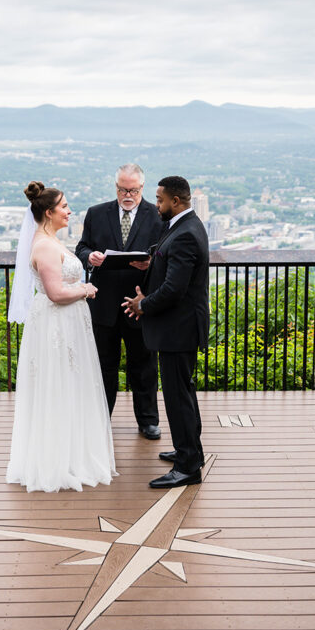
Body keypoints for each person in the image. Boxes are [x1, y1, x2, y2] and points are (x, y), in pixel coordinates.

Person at [5, 181, 116, 492]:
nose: (69, 211)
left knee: (69, 385)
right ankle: (56, 461)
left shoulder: (50, 240)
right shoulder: (43, 245)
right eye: (64, 207)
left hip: (66, 323)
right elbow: (55, 293)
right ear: (49, 212)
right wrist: (85, 288)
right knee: (58, 385)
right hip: (56, 324)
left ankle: (70, 453)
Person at [122, 175, 210, 488]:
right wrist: (151, 264)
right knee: (182, 393)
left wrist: (143, 305)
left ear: (175, 201)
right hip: (179, 328)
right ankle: (191, 451)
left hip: (179, 329)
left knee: (177, 398)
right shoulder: (187, 225)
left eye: (160, 200)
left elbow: (175, 288)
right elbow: (167, 258)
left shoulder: (185, 232)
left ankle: (187, 467)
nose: (156, 204)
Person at [75, 164, 164, 440]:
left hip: (140, 302)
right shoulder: (96, 213)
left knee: (145, 366)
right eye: (123, 189)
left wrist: (149, 264)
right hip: (104, 304)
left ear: (142, 189)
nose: (128, 195)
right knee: (103, 366)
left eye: (134, 190)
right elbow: (82, 247)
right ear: (115, 187)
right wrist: (89, 257)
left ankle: (148, 420)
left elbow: (164, 255)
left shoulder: (157, 215)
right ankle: (101, 419)